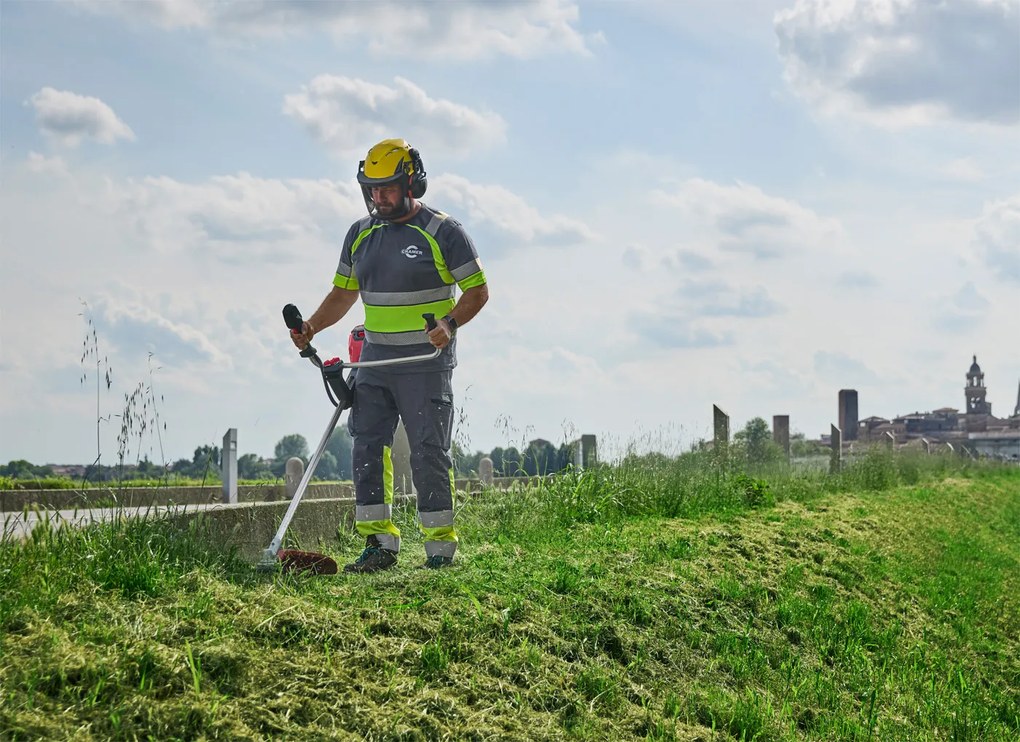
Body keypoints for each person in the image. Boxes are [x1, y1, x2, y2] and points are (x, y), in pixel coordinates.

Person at [291, 138, 488, 572]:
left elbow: (477, 291)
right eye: (371, 188)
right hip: (374, 363)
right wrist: (311, 328)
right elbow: (344, 293)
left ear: (411, 182)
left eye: (387, 188)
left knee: (428, 451)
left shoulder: (442, 231)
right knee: (366, 449)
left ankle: (439, 548)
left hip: (424, 363)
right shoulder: (360, 234)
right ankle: (380, 544)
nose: (378, 196)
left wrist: (449, 325)